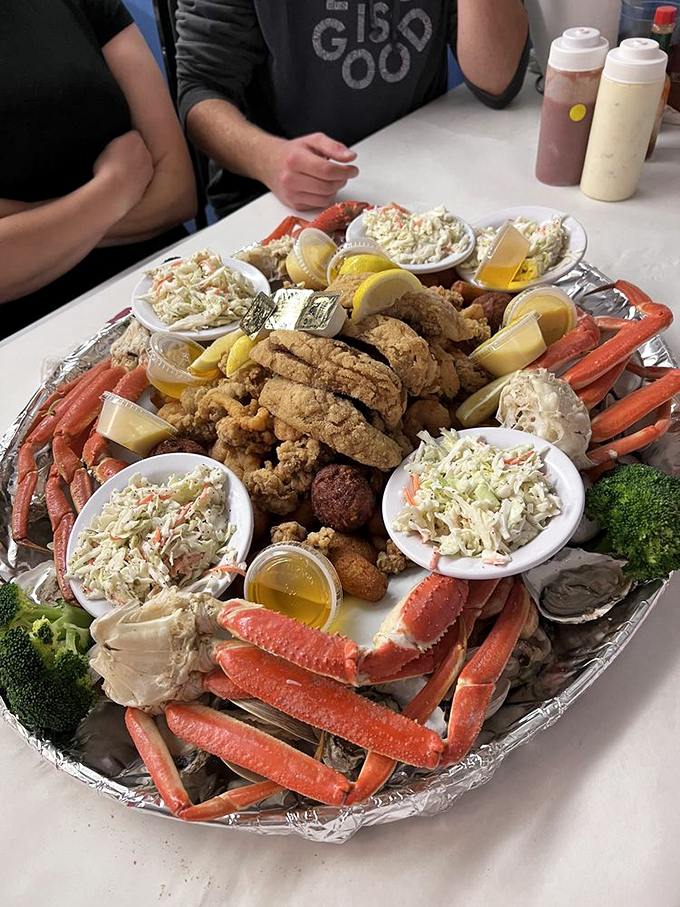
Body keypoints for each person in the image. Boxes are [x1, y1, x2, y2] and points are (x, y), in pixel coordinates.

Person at [175, 0, 529, 218]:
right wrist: (265, 157)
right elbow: (199, 89)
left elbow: (496, 82)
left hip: (420, 187)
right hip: (282, 201)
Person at [0, 0, 197, 334]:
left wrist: (26, 227)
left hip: (171, 292)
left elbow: (177, 192)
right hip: (28, 339)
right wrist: (115, 187)